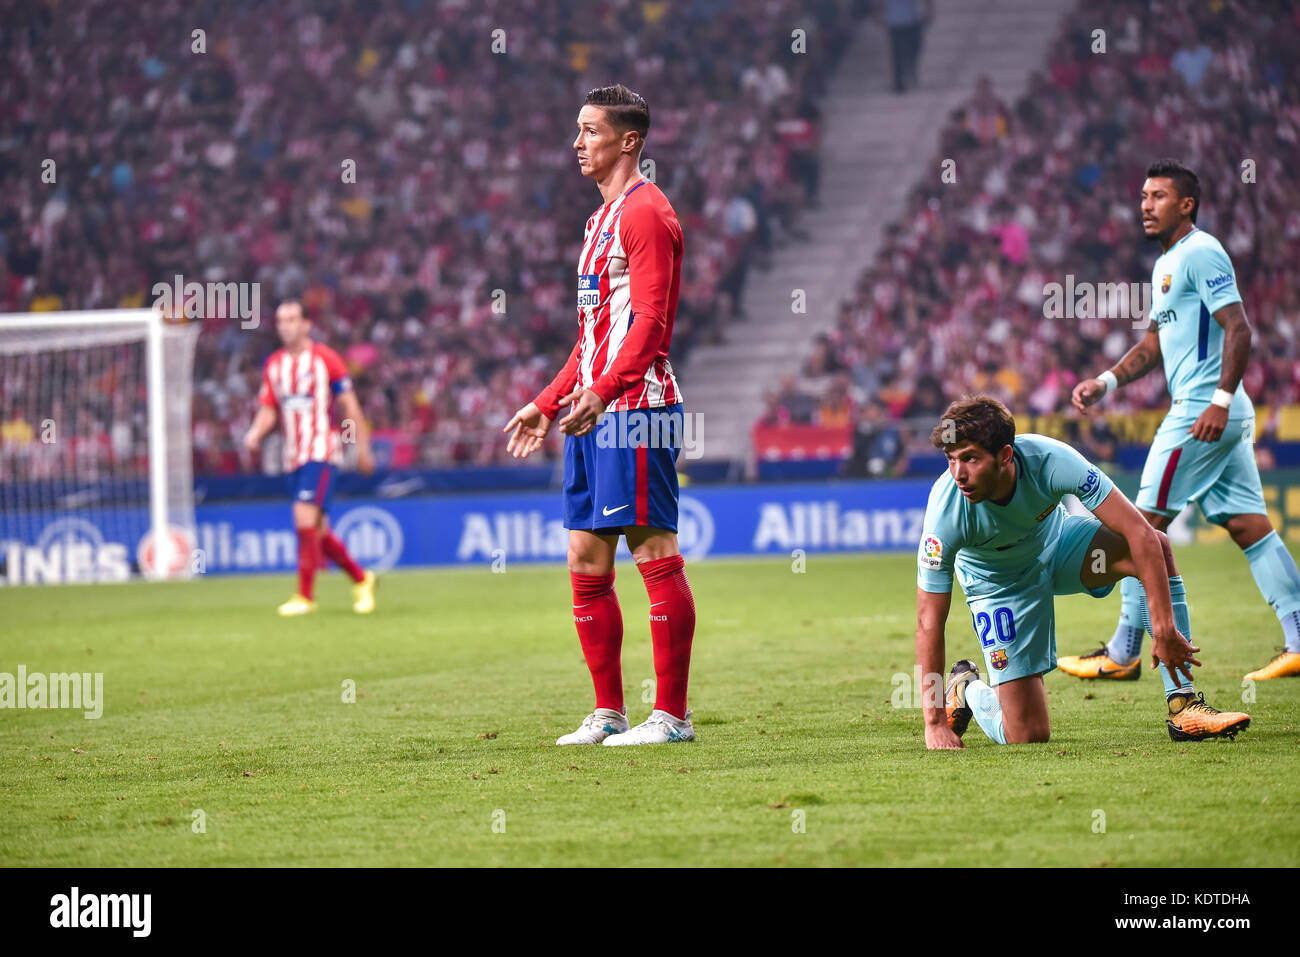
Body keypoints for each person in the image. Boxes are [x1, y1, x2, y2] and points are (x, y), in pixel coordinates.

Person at [502, 85, 698, 746]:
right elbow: (592, 340)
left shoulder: (646, 213)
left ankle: (671, 716)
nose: (578, 144)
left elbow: (651, 324)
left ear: (628, 140)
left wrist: (605, 390)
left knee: (654, 552)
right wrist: (547, 399)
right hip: (595, 410)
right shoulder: (597, 222)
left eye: (589, 131)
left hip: (636, 408)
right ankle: (609, 710)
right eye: (578, 130)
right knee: (586, 557)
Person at [1064, 158, 1300, 682]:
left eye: (1159, 196)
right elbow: (1153, 344)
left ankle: (1124, 653)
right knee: (1249, 527)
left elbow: (1239, 330)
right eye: (1144, 196)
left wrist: (1217, 398)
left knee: (1139, 526)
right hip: (1217, 413)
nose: (1146, 205)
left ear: (1186, 204)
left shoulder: (1202, 251)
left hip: (1201, 411)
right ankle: (1299, 638)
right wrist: (1105, 382)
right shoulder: (1167, 263)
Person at [915, 395, 1250, 749]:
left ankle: (1183, 707)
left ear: (1005, 456)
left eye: (970, 459)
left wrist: (1164, 628)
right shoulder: (945, 513)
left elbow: (1141, 535)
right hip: (999, 585)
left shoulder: (1051, 460)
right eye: (951, 459)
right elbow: (928, 622)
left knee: (1157, 546)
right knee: (1027, 735)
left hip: (1059, 547)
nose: (958, 474)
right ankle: (966, 688)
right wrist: (934, 721)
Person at [244, 300, 376, 616]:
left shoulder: (326, 359)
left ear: (306, 324)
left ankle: (305, 596)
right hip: (293, 456)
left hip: (321, 450)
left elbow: (350, 406)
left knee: (303, 514)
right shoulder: (274, 365)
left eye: (292, 319)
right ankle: (362, 579)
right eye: (281, 321)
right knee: (317, 530)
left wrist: (362, 448)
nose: (286, 326)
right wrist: (255, 433)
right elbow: (269, 408)